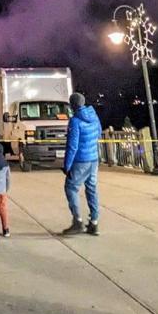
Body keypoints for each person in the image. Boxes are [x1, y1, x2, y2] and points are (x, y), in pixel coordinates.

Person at [62, 91, 102, 236]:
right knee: (92, 189)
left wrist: (67, 165)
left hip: (80, 160)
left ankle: (77, 221)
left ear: (73, 105)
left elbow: (72, 146)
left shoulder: (75, 121)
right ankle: (94, 223)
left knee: (71, 188)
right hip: (93, 159)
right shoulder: (94, 116)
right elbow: (98, 134)